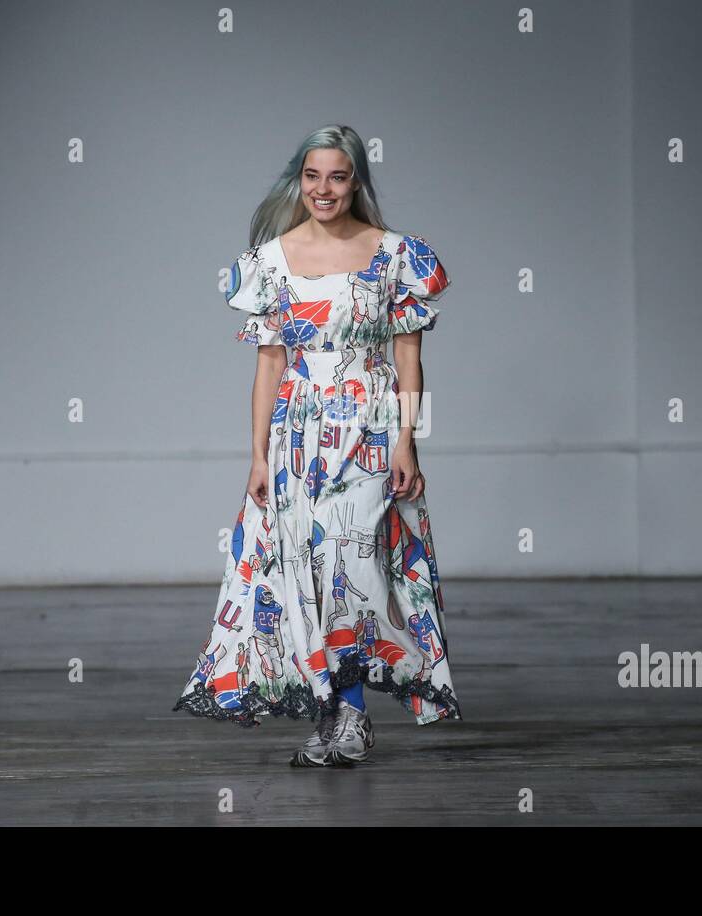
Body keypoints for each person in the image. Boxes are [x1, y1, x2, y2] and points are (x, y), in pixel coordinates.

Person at [172, 125, 461, 767]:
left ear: (356, 180)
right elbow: (268, 368)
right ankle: (334, 713)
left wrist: (408, 443)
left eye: (336, 176)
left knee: (354, 570)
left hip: (369, 428)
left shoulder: (393, 254)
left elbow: (408, 359)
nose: (322, 189)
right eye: (311, 175)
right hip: (296, 435)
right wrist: (257, 456)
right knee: (300, 571)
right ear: (297, 180)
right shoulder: (271, 260)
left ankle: (351, 717)